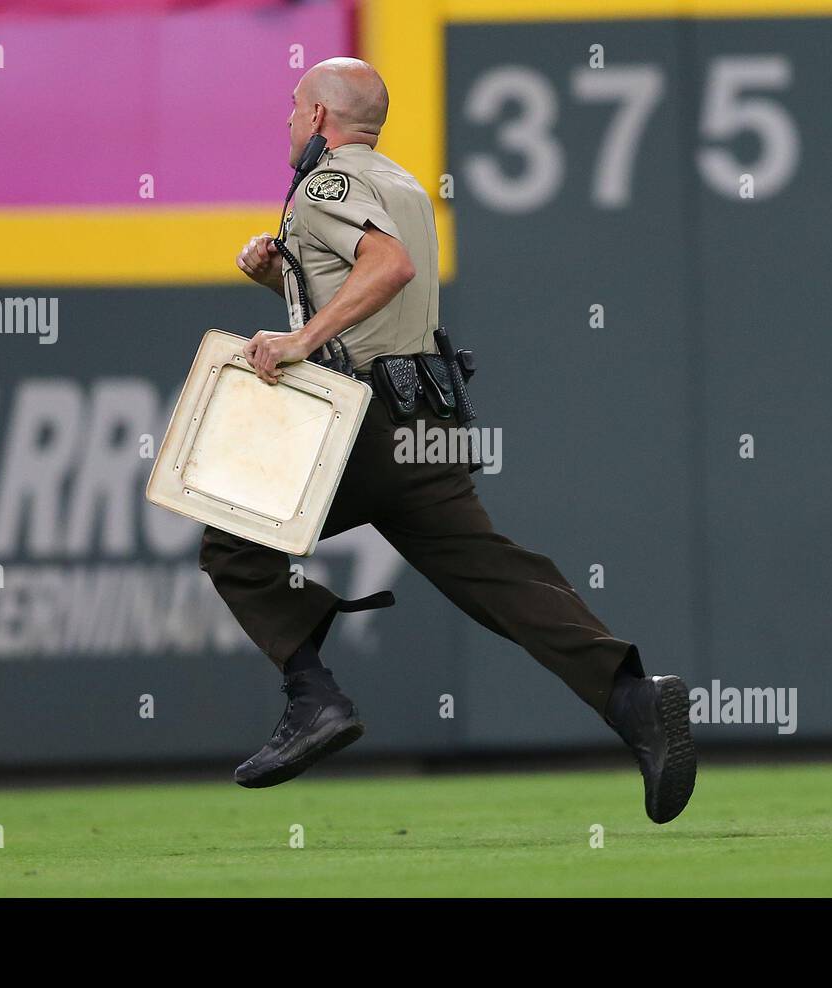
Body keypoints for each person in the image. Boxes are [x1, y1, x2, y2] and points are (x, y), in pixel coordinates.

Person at [199, 57, 696, 824]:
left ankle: (314, 697)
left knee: (230, 537)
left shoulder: (322, 186)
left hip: (358, 421)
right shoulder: (402, 185)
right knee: (492, 574)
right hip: (423, 425)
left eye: (296, 108)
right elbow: (375, 288)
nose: (289, 121)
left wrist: (297, 341)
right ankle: (631, 698)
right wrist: (282, 280)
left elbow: (385, 270)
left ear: (324, 120)